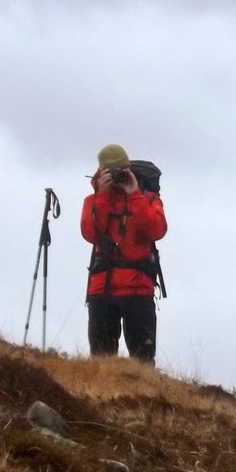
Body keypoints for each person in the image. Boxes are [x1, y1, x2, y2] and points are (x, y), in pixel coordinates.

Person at [81, 143, 167, 363]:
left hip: (138, 288)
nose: (118, 176)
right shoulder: (93, 201)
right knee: (101, 360)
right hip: (102, 289)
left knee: (142, 361)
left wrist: (134, 194)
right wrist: (102, 195)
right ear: (101, 173)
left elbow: (156, 230)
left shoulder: (148, 200)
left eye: (122, 171)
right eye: (111, 172)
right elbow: (91, 234)